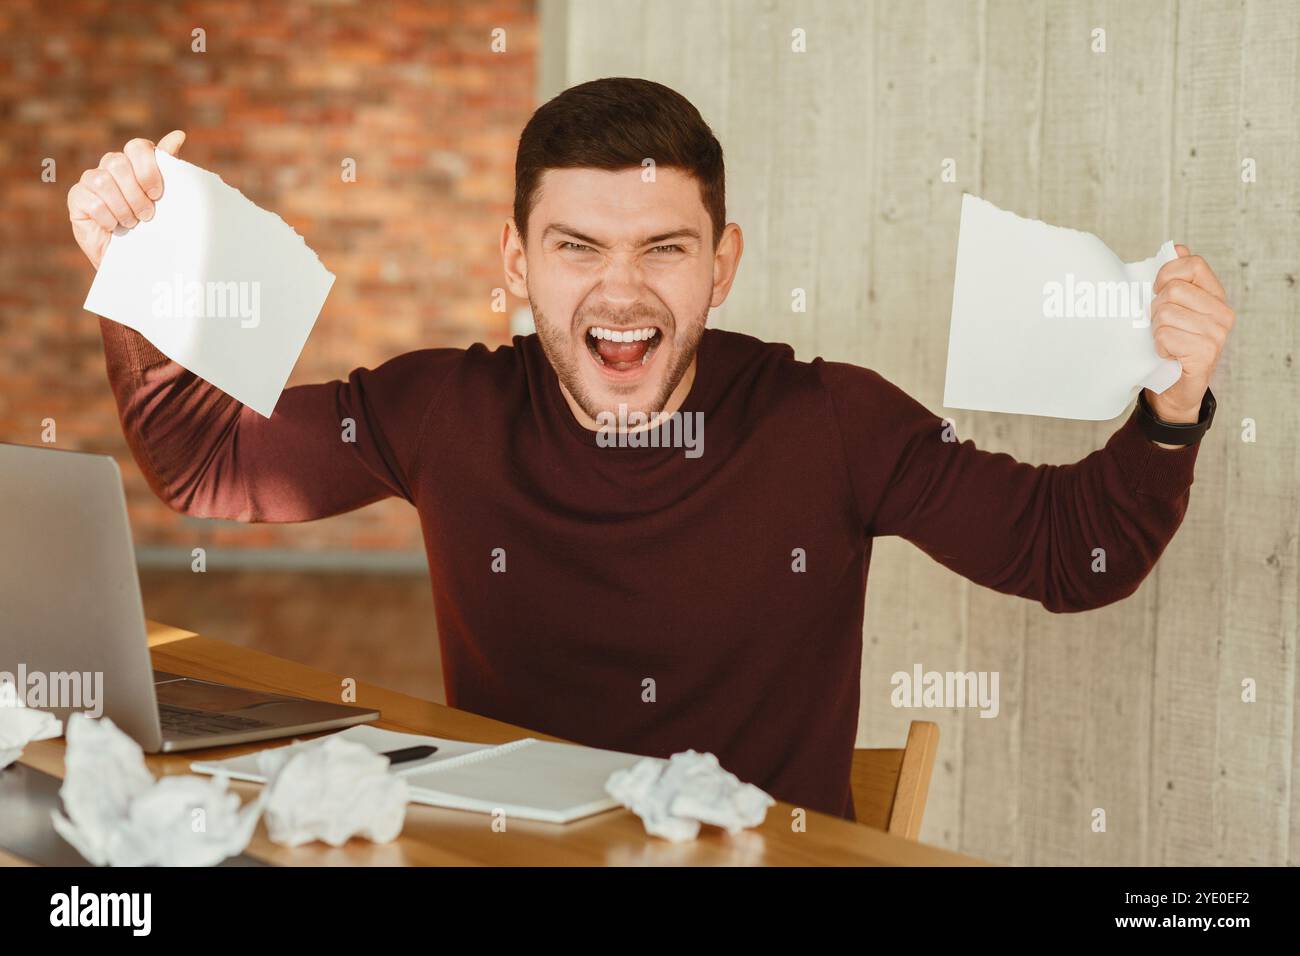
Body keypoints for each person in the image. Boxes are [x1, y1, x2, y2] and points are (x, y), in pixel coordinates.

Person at [66, 77, 1234, 822]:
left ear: (720, 265)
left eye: (663, 249)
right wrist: (132, 272)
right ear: (518, 262)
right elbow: (209, 463)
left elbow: (1070, 556)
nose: (620, 292)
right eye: (576, 246)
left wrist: (1170, 402)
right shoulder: (444, 407)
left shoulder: (828, 419)